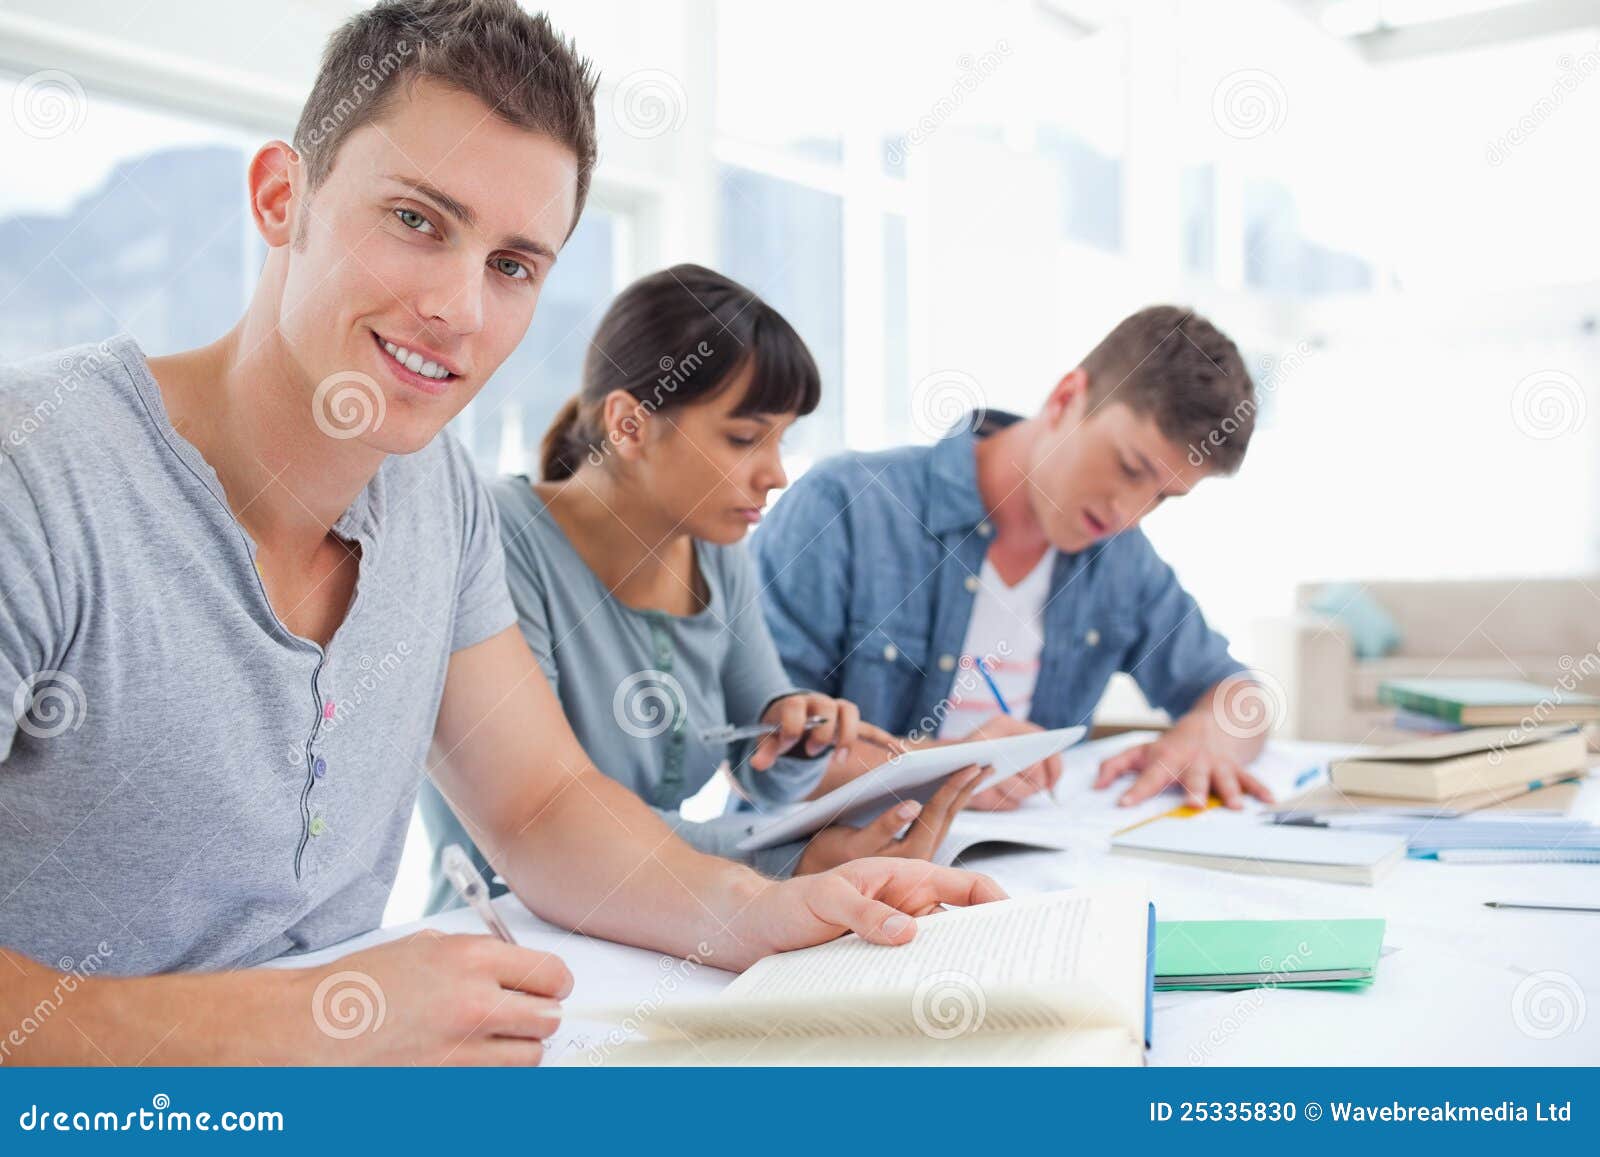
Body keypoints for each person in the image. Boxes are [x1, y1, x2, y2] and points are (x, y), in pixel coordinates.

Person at [0, 0, 1002, 1067]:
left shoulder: (439, 498)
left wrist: (757, 913)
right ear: (281, 198)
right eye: (417, 220)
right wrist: (315, 1021)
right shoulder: (37, 471)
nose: (459, 308)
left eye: (513, 264)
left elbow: (540, 802)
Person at [419, 265, 985, 901]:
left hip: (663, 923)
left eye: (782, 440)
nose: (775, 474)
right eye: (745, 438)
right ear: (629, 426)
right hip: (506, 930)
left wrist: (797, 737)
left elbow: (761, 770)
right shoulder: (497, 540)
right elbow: (558, 828)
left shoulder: (715, 552)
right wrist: (789, 858)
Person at [752, 306, 1274, 812]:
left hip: (1023, 880)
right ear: (1067, 398)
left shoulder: (1121, 560)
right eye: (1130, 467)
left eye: (1163, 496)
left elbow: (1240, 696)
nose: (1130, 514)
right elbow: (760, 749)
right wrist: (948, 770)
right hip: (823, 881)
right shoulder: (845, 507)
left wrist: (1205, 735)